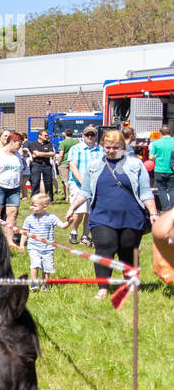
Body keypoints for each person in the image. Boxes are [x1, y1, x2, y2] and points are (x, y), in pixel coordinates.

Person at [81, 128, 159, 301]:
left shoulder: (135, 164)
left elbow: (146, 192)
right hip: (101, 215)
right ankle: (103, 288)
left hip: (131, 216)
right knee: (104, 248)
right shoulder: (94, 166)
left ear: (123, 146)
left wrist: (153, 212)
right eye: (107, 147)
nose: (111, 151)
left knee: (128, 250)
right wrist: (72, 208)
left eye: (115, 148)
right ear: (102, 145)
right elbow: (85, 191)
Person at [0, 130, 25, 248]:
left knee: (13, 213)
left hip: (14, 188)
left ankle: (10, 241)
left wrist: (20, 182)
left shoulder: (17, 155)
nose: (20, 146)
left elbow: (20, 170)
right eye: (19, 144)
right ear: (12, 142)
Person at [18, 193, 66, 290]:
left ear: (45, 207)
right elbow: (25, 233)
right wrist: (22, 244)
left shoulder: (51, 217)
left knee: (47, 268)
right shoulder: (29, 219)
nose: (31, 207)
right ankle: (34, 284)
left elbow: (63, 226)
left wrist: (69, 221)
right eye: (31, 205)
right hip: (33, 247)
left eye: (34, 206)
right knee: (34, 265)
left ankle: (46, 285)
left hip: (48, 249)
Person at [66, 126, 103, 244]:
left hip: (96, 185)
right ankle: (74, 231)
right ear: (83, 136)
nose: (90, 137)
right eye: (87, 135)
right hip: (78, 184)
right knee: (80, 210)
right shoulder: (76, 149)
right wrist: (84, 183)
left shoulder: (100, 150)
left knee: (90, 211)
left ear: (96, 136)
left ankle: (85, 235)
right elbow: (73, 167)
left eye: (92, 135)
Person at [27, 128, 58, 199]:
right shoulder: (32, 144)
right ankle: (34, 198)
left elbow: (52, 153)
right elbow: (35, 153)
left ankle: (49, 198)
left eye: (47, 135)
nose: (47, 137)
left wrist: (40, 154)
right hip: (36, 164)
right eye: (45, 135)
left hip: (46, 164)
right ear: (39, 136)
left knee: (48, 182)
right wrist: (46, 154)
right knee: (35, 182)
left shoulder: (49, 144)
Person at [150, 125, 174, 211]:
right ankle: (172, 210)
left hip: (159, 170)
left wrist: (156, 158)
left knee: (162, 190)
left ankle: (165, 209)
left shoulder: (156, 143)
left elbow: (151, 157)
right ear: (170, 133)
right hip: (172, 170)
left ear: (161, 133)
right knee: (172, 190)